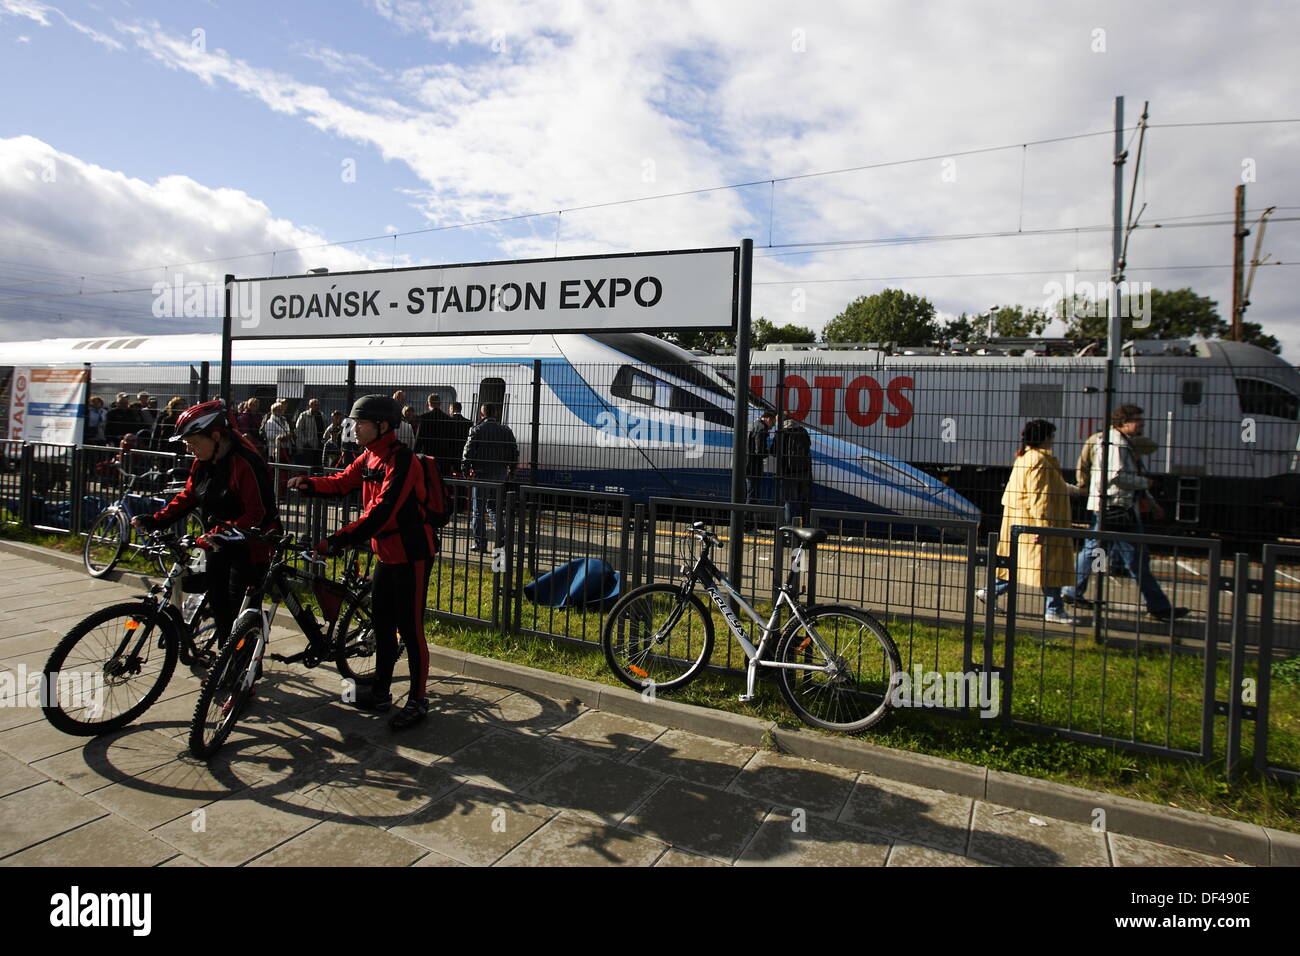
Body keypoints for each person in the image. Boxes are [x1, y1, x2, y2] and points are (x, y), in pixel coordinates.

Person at [287, 395, 434, 730]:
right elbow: (341, 483)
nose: (354, 429)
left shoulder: (402, 461)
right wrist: (308, 484)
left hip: (412, 555)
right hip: (385, 554)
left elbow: (381, 514)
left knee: (410, 630)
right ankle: (380, 692)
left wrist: (336, 541)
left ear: (382, 425)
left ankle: (418, 699)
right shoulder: (369, 456)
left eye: (360, 423)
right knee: (382, 625)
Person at [131, 400, 280, 650]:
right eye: (186, 444)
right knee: (221, 606)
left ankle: (242, 670)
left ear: (215, 436)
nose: (190, 449)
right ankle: (225, 665)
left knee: (239, 612)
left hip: (252, 547)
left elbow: (258, 513)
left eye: (193, 442)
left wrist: (223, 533)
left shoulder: (244, 463)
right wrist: (157, 520)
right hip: (219, 542)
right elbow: (189, 496)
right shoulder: (203, 461)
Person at [1062, 405, 1189, 622]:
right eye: (1138, 420)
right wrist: (1145, 483)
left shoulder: (1122, 442)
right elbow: (1116, 476)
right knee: (1136, 558)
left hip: (1112, 507)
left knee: (1094, 550)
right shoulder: (1115, 444)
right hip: (1116, 508)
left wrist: (1150, 500)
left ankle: (1071, 591)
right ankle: (1158, 607)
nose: (1142, 424)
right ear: (1124, 422)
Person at [977, 419, 1086, 624]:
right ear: (1045, 438)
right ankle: (1054, 609)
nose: (1053, 440)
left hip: (1019, 521)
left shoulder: (1025, 457)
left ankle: (990, 591)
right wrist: (1043, 527)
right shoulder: (1039, 461)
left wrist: (1076, 491)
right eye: (1051, 436)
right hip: (1037, 523)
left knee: (1020, 564)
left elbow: (1052, 487)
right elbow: (1040, 497)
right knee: (1049, 566)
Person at [462, 403, 518, 552]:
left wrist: (465, 470)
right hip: (500, 474)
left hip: (481, 474)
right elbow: (514, 451)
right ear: (496, 413)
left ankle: (481, 544)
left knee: (479, 510)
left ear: (482, 414)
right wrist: (512, 470)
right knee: (494, 507)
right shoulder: (506, 431)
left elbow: (468, 451)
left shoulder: (476, 430)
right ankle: (502, 538)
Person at [773, 414, 813, 524]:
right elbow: (808, 446)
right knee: (805, 502)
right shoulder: (803, 431)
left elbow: (774, 451)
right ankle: (807, 527)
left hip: (788, 472)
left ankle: (789, 528)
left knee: (789, 502)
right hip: (805, 472)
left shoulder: (781, 433)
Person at [746, 410, 776, 505]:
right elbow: (759, 451)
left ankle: (747, 516)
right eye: (773, 423)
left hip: (747, 463)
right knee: (753, 494)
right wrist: (770, 451)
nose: (772, 427)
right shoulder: (762, 428)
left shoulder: (753, 424)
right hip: (753, 466)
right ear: (768, 419)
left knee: (750, 492)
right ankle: (747, 518)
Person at [262, 400, 294, 488]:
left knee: (284, 471)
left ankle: (283, 489)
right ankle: (276, 489)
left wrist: (288, 436)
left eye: (282, 409)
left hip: (285, 449)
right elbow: (269, 436)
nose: (281, 411)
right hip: (275, 450)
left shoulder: (284, 421)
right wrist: (282, 437)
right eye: (278, 409)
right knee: (276, 471)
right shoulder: (270, 422)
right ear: (274, 410)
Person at [294, 398, 325, 468]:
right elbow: (298, 430)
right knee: (308, 464)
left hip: (319, 445)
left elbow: (324, 427)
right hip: (308, 446)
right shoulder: (304, 415)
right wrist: (305, 442)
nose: (317, 406)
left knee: (317, 465)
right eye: (315, 405)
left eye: (318, 405)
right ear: (310, 405)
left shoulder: (321, 415)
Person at [417, 393, 448, 459]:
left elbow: (420, 437)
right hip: (443, 454)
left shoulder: (424, 417)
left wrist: (416, 452)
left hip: (428, 454)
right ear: (440, 403)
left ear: (428, 403)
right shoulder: (447, 418)